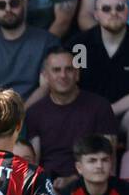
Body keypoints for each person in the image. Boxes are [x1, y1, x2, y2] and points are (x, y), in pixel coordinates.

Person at [69, 0, 129, 151]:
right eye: (106, 9)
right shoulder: (80, 46)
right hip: (83, 115)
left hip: (121, 116)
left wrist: (104, 112)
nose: (113, 13)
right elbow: (71, 84)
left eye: (120, 7)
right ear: (96, 14)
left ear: (128, 10)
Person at [23, 50, 119, 185]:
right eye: (56, 70)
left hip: (90, 184)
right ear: (45, 76)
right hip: (47, 186)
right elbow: (34, 162)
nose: (63, 75)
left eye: (69, 69)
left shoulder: (100, 107)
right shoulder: (34, 112)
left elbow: (107, 161)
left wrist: (73, 181)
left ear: (77, 74)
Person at [0, 0, 57, 98]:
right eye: (1, 5)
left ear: (23, 4)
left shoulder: (47, 41)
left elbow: (46, 86)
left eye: (14, 3)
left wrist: (20, 113)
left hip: (39, 111)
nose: (8, 9)